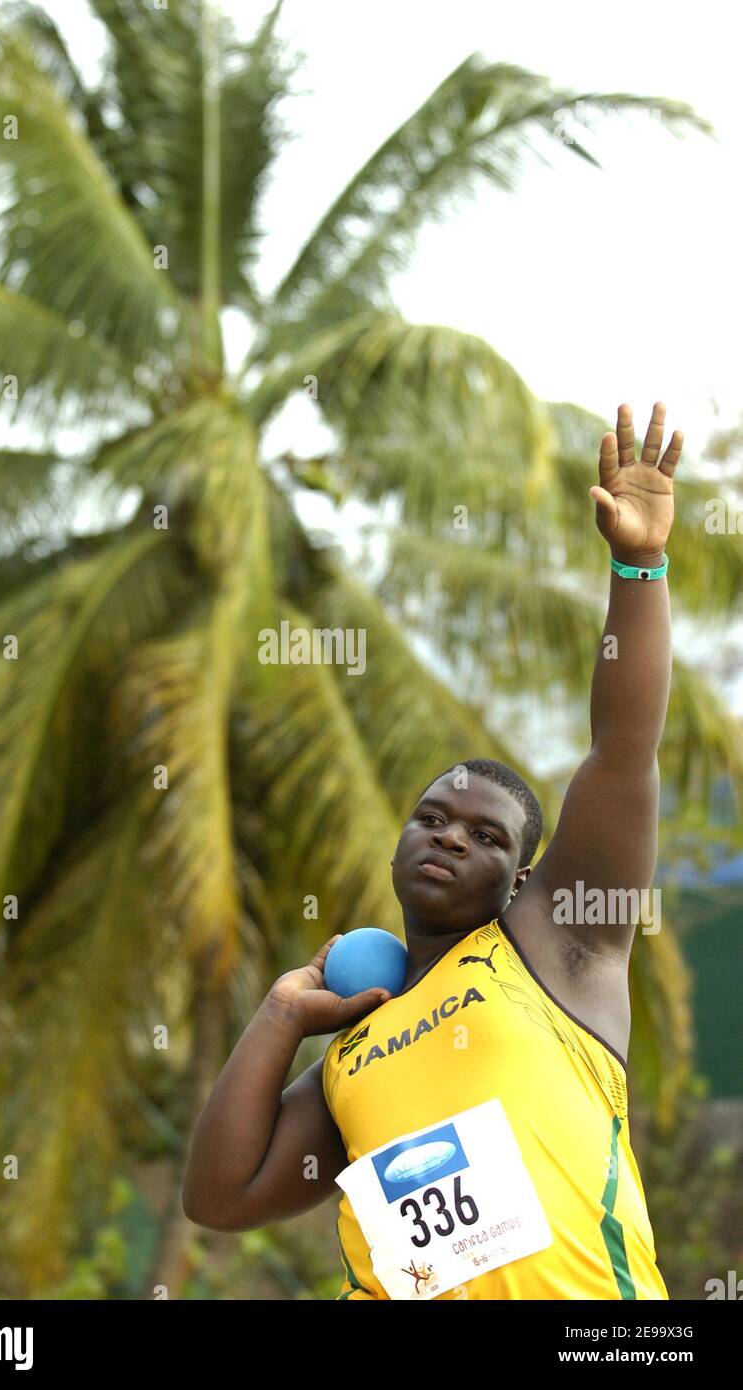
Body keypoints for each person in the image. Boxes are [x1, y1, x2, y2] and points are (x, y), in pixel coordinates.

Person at [183, 401, 683, 1300]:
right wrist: (282, 1018)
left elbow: (622, 752)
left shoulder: (553, 949)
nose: (449, 834)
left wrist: (637, 564)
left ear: (523, 878)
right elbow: (219, 1198)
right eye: (431, 818)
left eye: (484, 835)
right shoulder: (354, 1045)